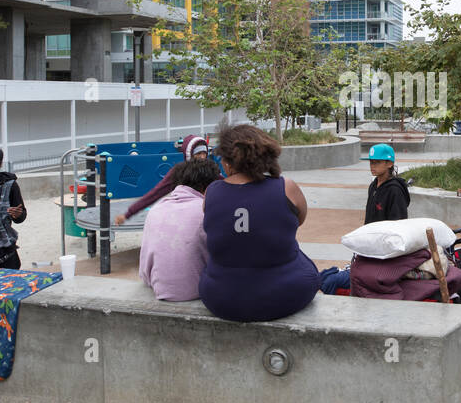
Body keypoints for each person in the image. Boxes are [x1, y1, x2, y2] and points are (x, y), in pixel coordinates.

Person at [198, 125, 319, 322]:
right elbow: (299, 221)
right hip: (284, 295)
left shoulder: (211, 192)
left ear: (228, 163)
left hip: (220, 298)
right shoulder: (286, 187)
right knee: (297, 253)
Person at [138, 158, 220, 302]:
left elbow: (144, 266)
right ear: (208, 187)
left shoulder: (156, 209)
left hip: (158, 287)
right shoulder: (206, 210)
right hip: (195, 290)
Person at [114, 134, 215, 226]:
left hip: (205, 215)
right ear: (189, 154)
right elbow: (155, 193)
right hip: (185, 218)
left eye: (204, 153)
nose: (202, 157)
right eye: (198, 154)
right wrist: (128, 214)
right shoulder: (179, 172)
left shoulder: (210, 170)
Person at [362, 143, 409, 224]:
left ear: (389, 164)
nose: (372, 166)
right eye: (371, 162)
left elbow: (398, 223)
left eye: (377, 162)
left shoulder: (395, 190)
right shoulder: (373, 185)